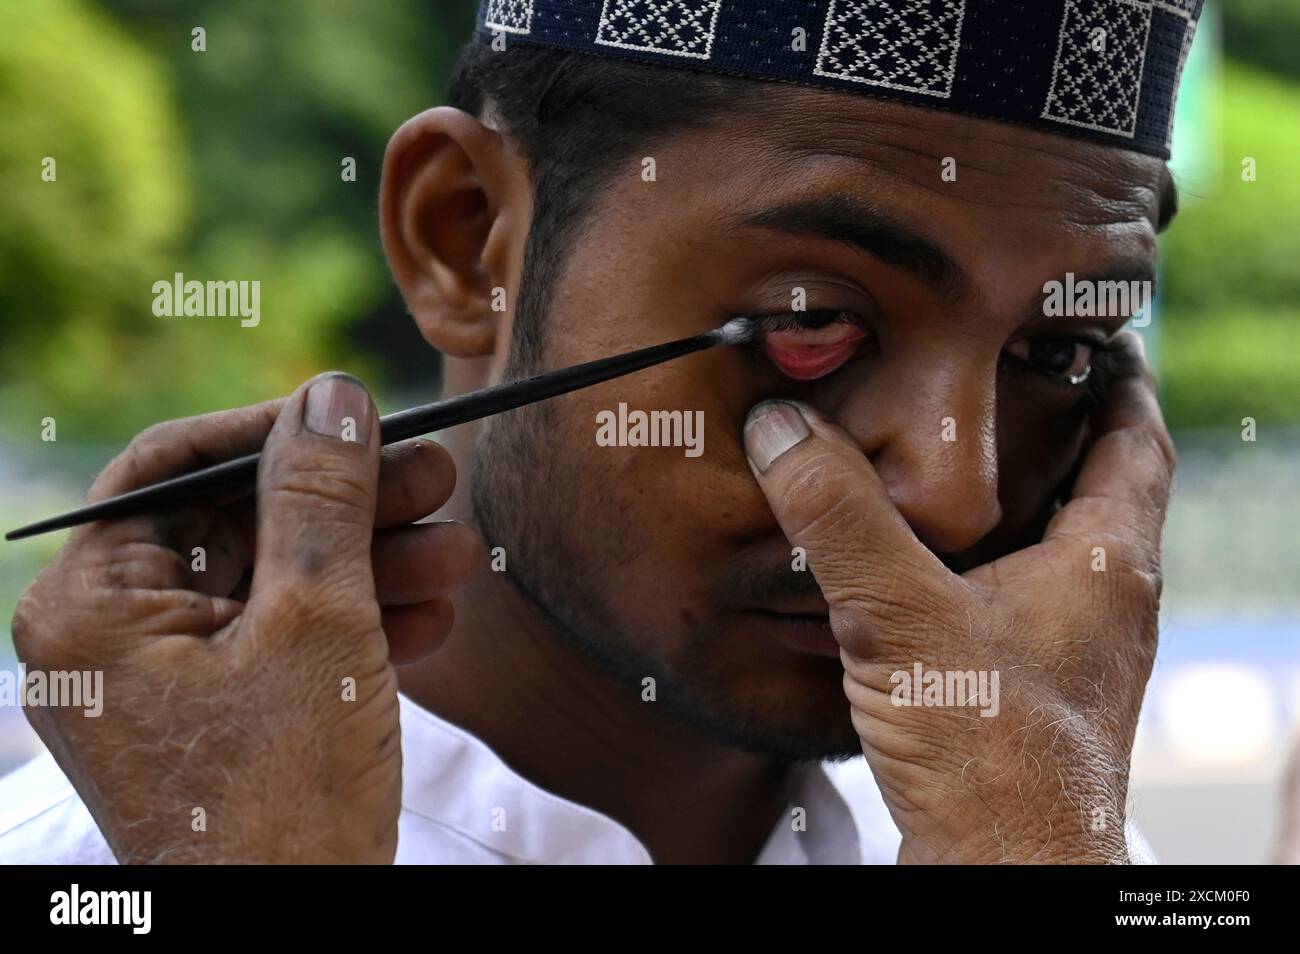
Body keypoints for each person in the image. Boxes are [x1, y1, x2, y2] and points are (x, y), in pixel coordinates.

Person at [0, 0, 1200, 864]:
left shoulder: (1033, 838)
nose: (956, 495)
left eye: (1056, 353)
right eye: (812, 323)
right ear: (464, 238)